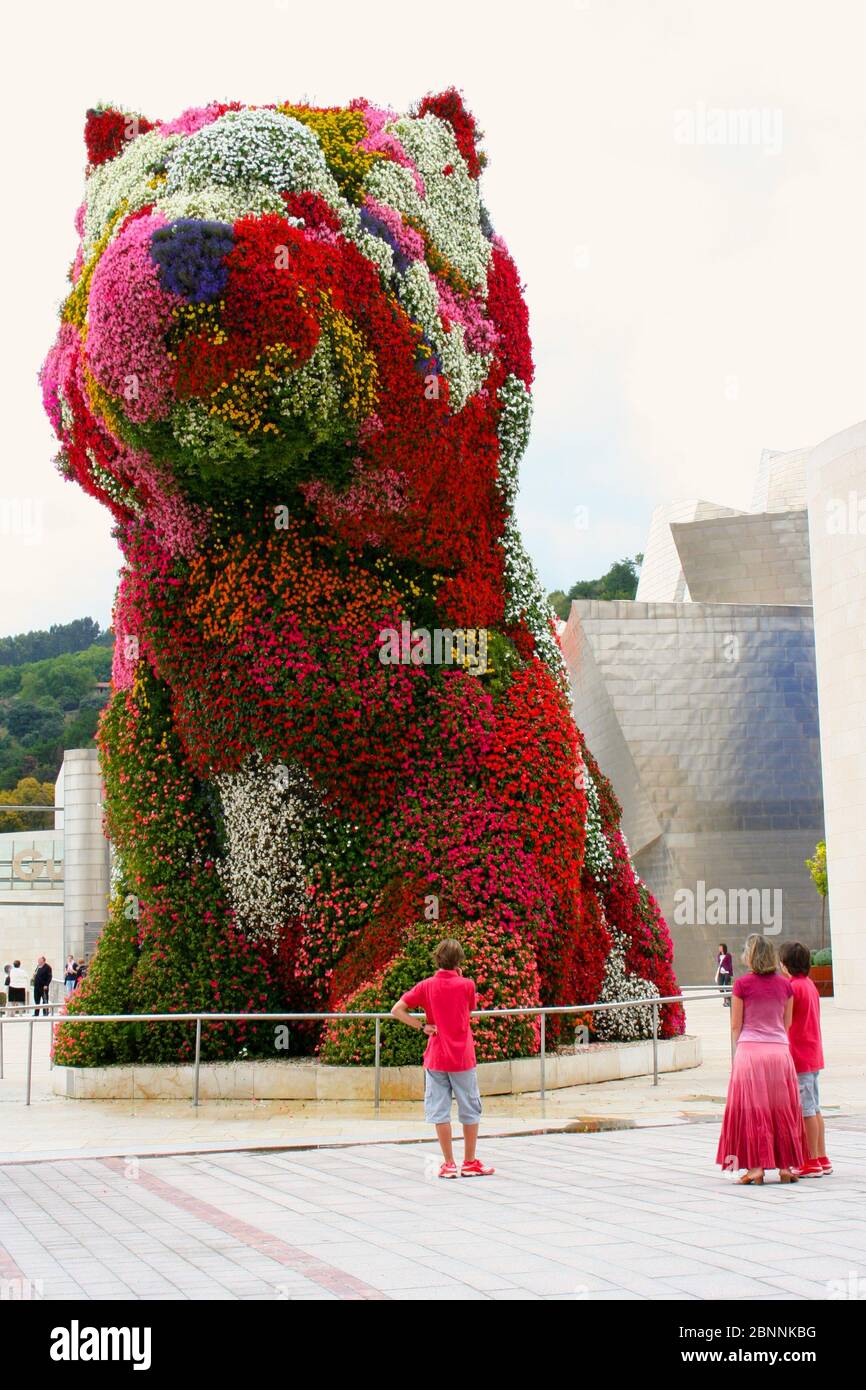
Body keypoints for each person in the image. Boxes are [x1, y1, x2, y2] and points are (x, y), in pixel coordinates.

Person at [390, 938, 495, 1179]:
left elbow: (397, 1009)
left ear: (437, 959)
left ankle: (448, 1163)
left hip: (436, 1056)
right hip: (462, 1057)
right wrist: (461, 976)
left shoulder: (426, 985)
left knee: (440, 1110)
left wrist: (421, 1026)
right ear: (459, 962)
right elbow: (469, 1009)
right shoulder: (467, 985)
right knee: (470, 1108)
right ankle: (470, 1161)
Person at [716, 933, 805, 1185]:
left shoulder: (742, 985)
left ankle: (755, 1168)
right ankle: (786, 1167)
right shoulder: (785, 985)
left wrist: (736, 1058)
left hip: (751, 1053)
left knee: (752, 1111)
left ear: (750, 956)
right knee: (782, 1110)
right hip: (779, 1052)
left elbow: (736, 1025)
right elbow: (786, 1023)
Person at [780, 941, 831, 1178]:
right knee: (814, 1108)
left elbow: (785, 1021)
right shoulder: (809, 985)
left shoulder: (791, 988)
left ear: (785, 965)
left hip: (799, 1056)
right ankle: (821, 1156)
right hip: (812, 1054)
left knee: (806, 1110)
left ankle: (810, 1160)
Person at [715, 942, 734, 1007]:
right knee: (720, 987)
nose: (719, 948)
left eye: (720, 947)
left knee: (727, 987)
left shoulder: (728, 955)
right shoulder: (718, 955)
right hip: (721, 973)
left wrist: (730, 972)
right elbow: (719, 964)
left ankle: (728, 1001)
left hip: (727, 973)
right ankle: (726, 999)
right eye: (719, 947)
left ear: (724, 948)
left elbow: (730, 964)